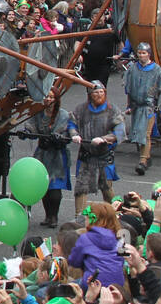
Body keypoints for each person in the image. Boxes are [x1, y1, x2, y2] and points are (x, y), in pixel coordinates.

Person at [67, 81, 125, 216]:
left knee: (107, 188)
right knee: (81, 188)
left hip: (104, 156)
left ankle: (115, 215)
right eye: (95, 92)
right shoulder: (81, 109)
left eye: (101, 92)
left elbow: (120, 131)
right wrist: (74, 135)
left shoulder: (112, 110)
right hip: (86, 156)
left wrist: (105, 139)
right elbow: (71, 123)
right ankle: (79, 218)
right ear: (89, 94)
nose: (99, 95)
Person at [24, 90, 71, 228]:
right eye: (46, 97)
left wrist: (60, 137)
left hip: (57, 155)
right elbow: (31, 127)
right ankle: (47, 216)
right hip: (42, 153)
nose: (48, 99)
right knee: (44, 185)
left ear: (56, 99)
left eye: (51, 97)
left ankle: (54, 216)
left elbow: (68, 132)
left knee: (55, 189)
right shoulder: (38, 113)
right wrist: (27, 132)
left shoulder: (64, 115)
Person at [123, 42, 161, 176]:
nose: (141, 55)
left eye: (144, 53)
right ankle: (147, 157)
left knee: (145, 134)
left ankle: (142, 161)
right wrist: (129, 106)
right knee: (137, 134)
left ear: (149, 54)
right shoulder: (132, 69)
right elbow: (129, 89)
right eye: (139, 53)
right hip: (136, 107)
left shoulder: (157, 70)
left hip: (149, 108)